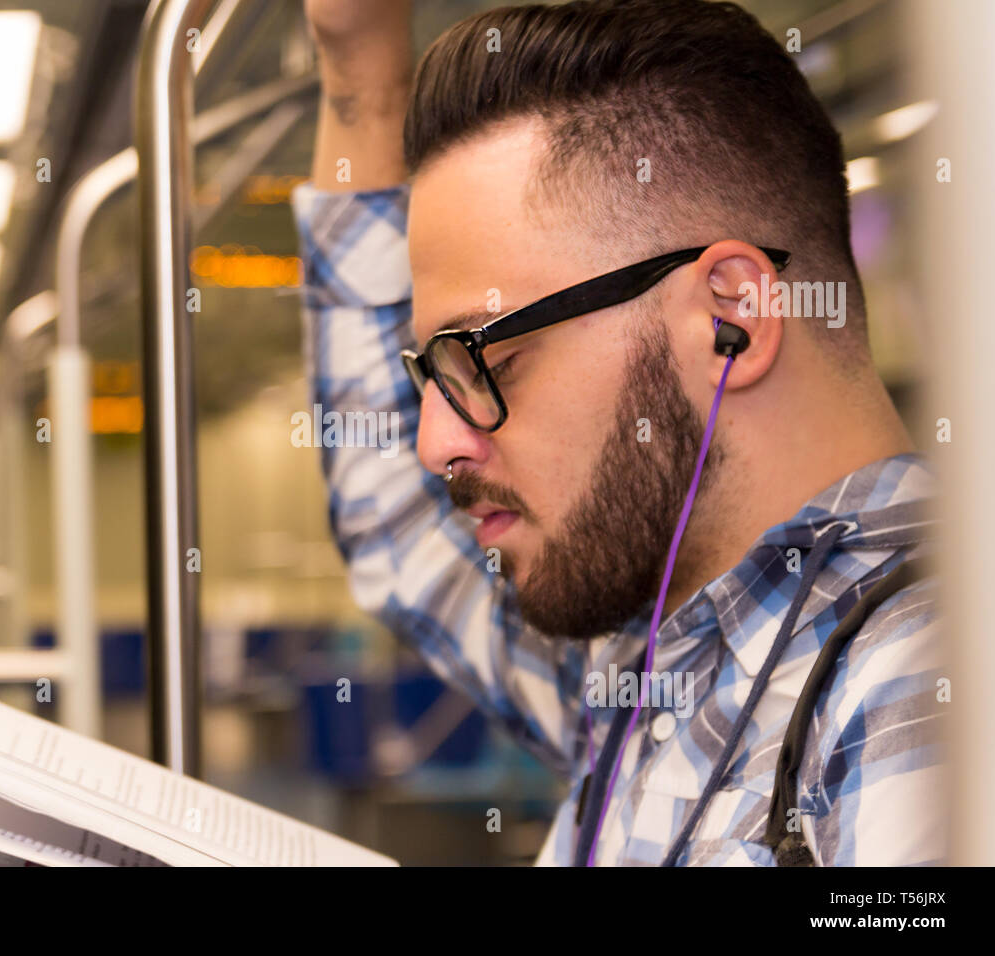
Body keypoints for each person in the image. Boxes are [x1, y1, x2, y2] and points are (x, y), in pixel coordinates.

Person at [292, 0, 945, 865]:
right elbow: (399, 531)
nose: (434, 445)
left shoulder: (923, 695)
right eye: (432, 379)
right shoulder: (651, 667)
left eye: (489, 361)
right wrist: (361, 75)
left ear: (733, 319)